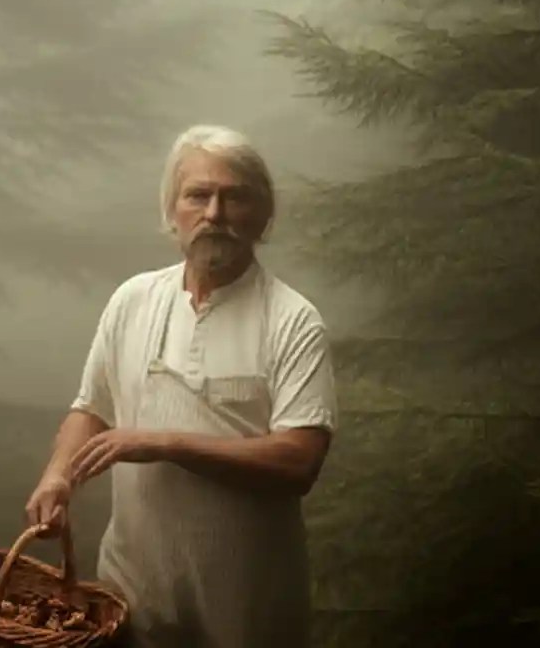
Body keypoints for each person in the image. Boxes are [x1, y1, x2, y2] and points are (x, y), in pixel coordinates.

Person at [24, 124, 338, 648]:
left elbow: (298, 462)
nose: (214, 213)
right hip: (133, 593)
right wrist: (57, 476)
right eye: (198, 195)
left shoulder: (292, 320)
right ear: (172, 212)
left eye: (235, 196)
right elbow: (91, 409)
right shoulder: (133, 300)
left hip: (248, 606)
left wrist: (161, 441)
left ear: (264, 216)